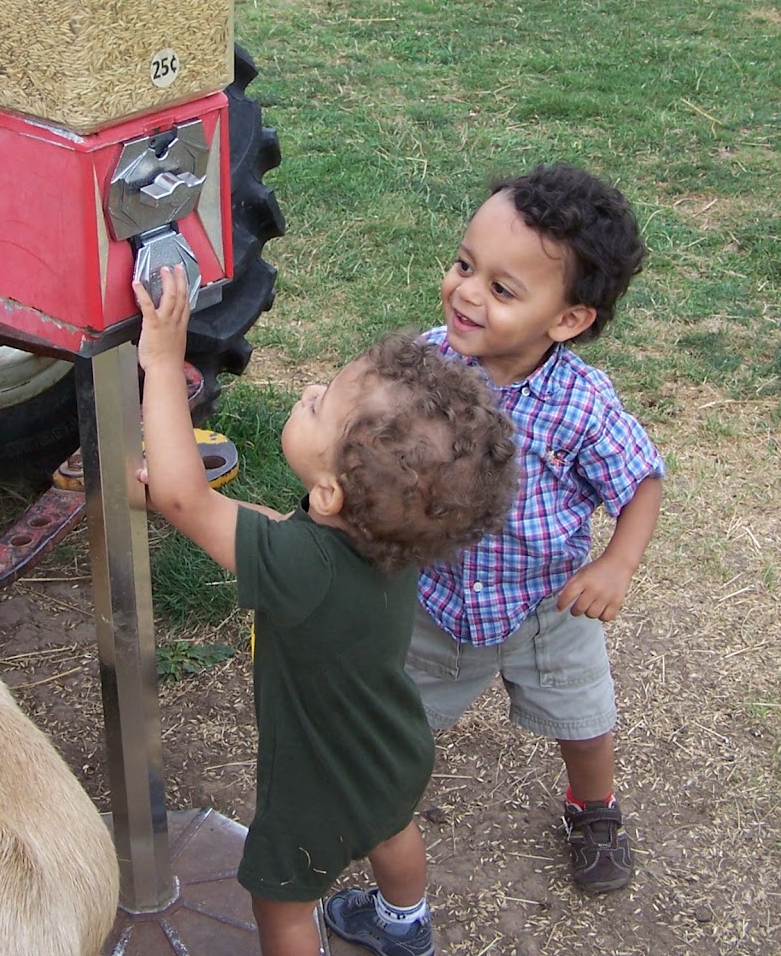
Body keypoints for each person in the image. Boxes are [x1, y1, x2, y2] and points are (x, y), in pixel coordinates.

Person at [134, 265, 518, 956]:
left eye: (318, 407)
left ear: (334, 494)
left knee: (280, 902)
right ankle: (405, 925)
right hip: (392, 748)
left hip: (315, 784)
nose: (308, 392)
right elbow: (272, 533)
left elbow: (188, 500)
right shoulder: (393, 538)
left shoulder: (303, 566)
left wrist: (163, 362)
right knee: (391, 827)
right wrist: (176, 492)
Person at [404, 162, 665, 899]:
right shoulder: (427, 365)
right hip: (437, 593)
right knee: (401, 715)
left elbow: (641, 479)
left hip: (551, 602)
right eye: (464, 265)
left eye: (500, 288)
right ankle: (385, 801)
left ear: (568, 319)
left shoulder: (580, 405)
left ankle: (594, 808)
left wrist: (615, 565)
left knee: (582, 714)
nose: (465, 291)